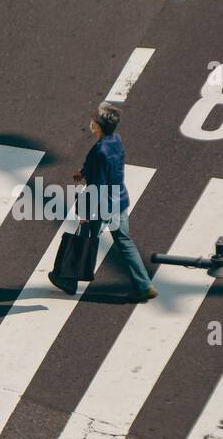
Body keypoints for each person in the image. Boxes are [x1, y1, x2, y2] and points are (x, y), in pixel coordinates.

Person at [48, 103, 158, 302]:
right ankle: (144, 285)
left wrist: (86, 213)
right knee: (124, 242)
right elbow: (107, 169)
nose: (91, 122)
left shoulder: (99, 151)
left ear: (98, 126)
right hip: (119, 200)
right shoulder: (115, 141)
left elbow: (97, 186)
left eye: (94, 120)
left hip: (102, 206)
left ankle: (66, 279)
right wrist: (83, 172)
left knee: (83, 238)